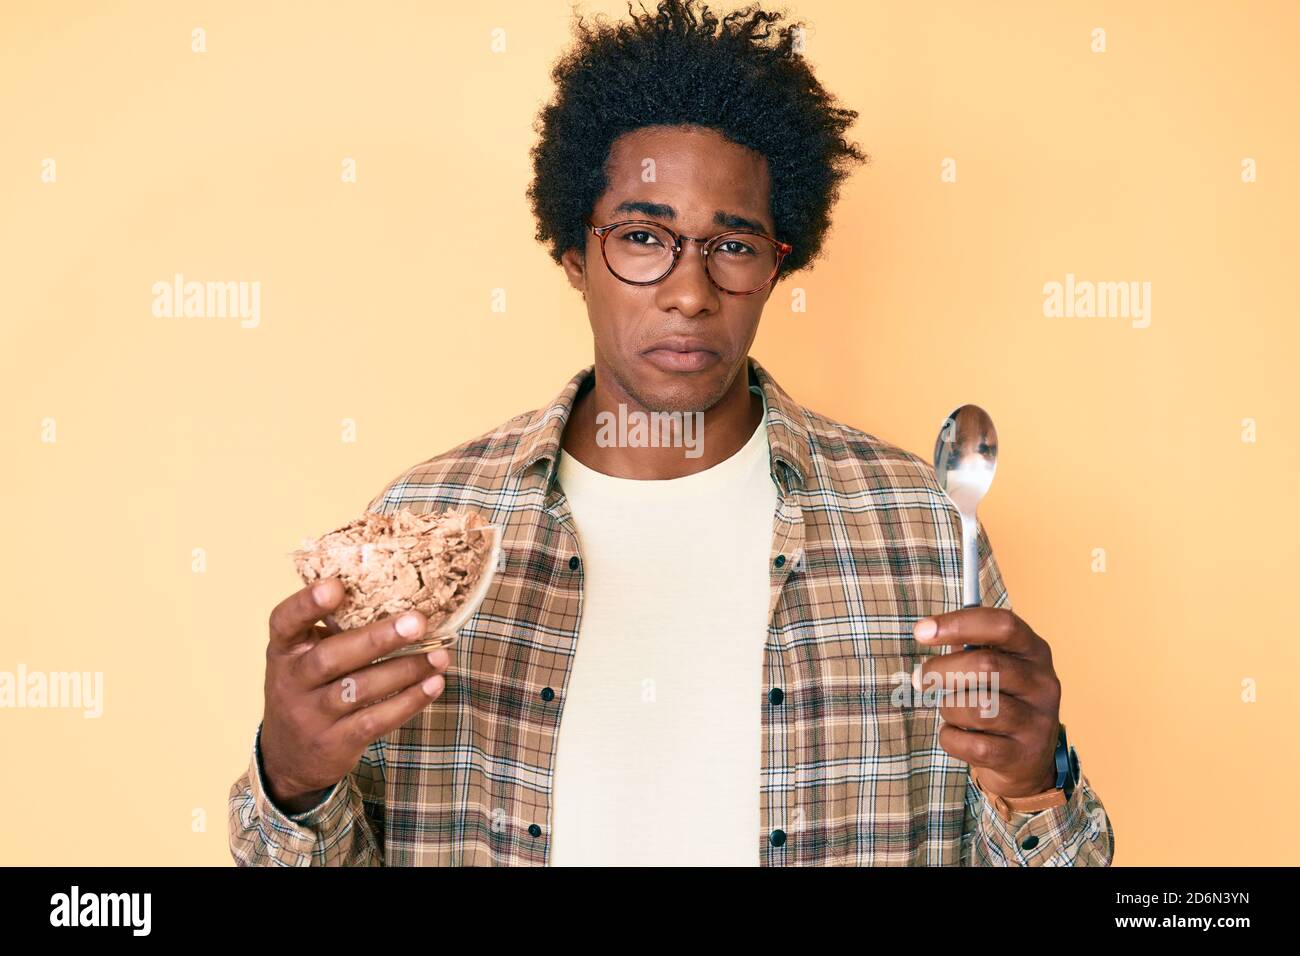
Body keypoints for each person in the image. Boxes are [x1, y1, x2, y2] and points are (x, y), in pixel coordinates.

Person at [228, 0, 1114, 866]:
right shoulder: (427, 528)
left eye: (731, 246)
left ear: (778, 265)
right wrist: (294, 781)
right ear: (577, 257)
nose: (689, 292)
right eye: (645, 237)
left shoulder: (919, 525)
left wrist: (1035, 784)